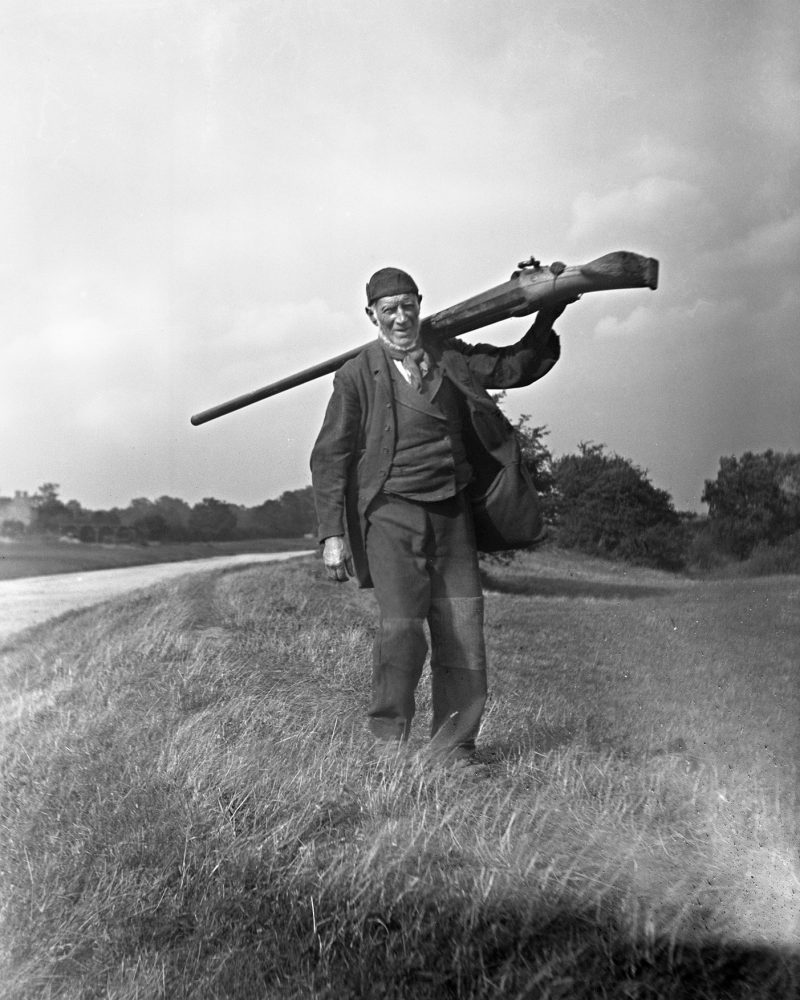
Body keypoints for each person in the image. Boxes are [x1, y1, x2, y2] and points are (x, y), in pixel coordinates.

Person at [310, 267, 566, 767]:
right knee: (402, 630)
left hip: (452, 513)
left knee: (463, 630)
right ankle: (389, 744)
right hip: (390, 515)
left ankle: (455, 748)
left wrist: (549, 307)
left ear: (421, 304)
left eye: (409, 306)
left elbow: (515, 367)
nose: (402, 317)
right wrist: (332, 534)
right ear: (372, 316)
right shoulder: (357, 374)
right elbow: (330, 457)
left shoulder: (450, 355)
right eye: (390, 310)